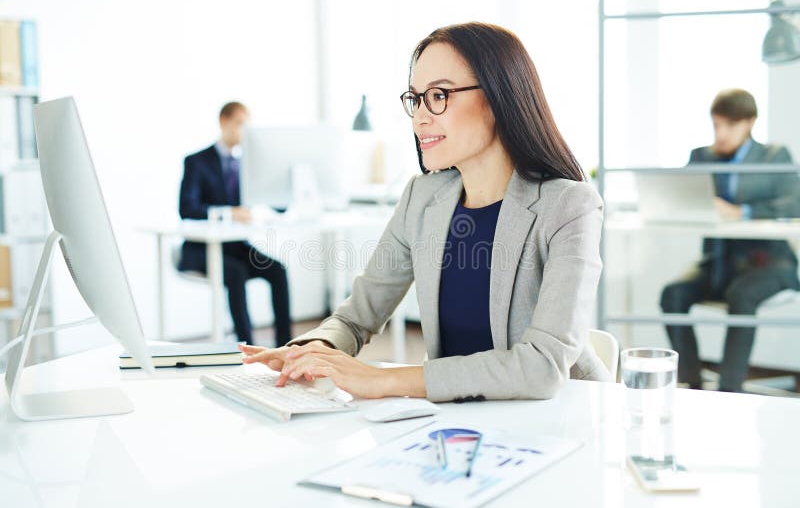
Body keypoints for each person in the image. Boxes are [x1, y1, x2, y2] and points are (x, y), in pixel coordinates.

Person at [239, 22, 610, 402]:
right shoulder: (422, 197)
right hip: (461, 424)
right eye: (416, 99)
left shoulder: (568, 206)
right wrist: (315, 349)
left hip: (568, 418)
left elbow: (541, 367)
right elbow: (356, 317)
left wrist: (384, 380)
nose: (419, 118)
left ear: (500, 98)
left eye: (439, 95)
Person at [660, 89, 800, 392]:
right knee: (672, 295)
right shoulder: (701, 157)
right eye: (716, 125)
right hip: (719, 262)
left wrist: (739, 212)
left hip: (770, 263)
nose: (720, 134)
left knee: (741, 295)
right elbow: (679, 197)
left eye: (729, 126)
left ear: (749, 122)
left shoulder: (775, 155)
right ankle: (693, 383)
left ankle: (729, 389)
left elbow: (793, 204)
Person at [178, 101, 292, 346]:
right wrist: (229, 213)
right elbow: (186, 208)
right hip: (200, 249)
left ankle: (286, 345)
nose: (245, 132)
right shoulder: (196, 162)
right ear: (223, 122)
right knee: (236, 273)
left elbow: (275, 203)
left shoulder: (246, 165)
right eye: (240, 124)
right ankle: (247, 347)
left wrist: (284, 178)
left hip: (235, 246)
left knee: (277, 270)